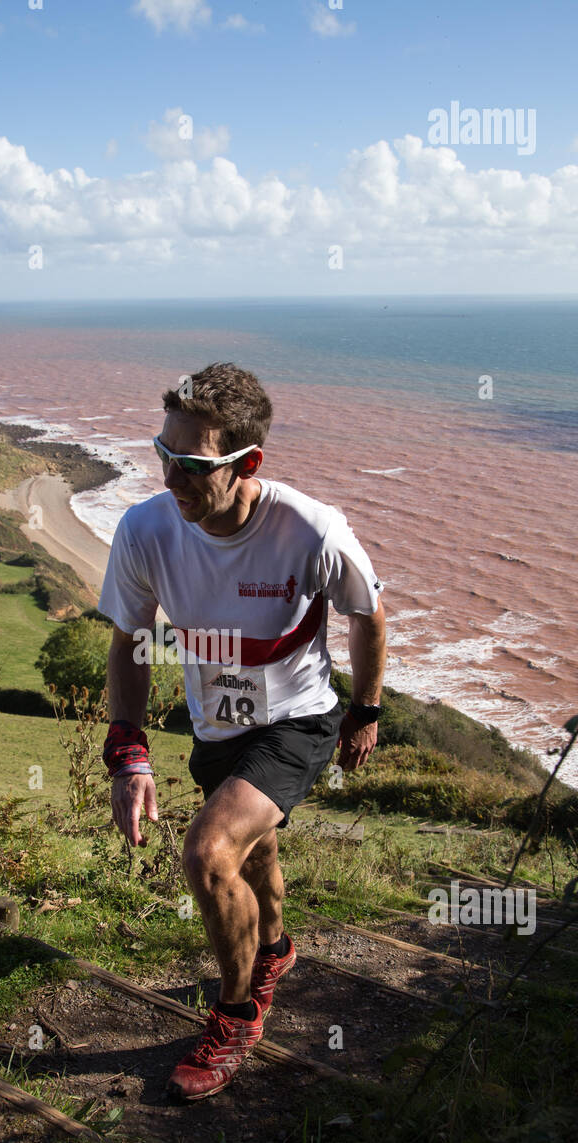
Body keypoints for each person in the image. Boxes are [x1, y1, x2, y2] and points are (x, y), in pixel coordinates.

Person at [97, 362, 386, 1102]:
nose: (171, 479)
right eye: (162, 455)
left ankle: (236, 1015)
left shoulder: (311, 529)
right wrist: (127, 748)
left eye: (191, 466)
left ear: (248, 463)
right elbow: (131, 640)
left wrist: (365, 711)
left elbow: (367, 611)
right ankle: (276, 949)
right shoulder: (145, 530)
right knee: (253, 861)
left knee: (208, 851)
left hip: (297, 719)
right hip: (217, 727)